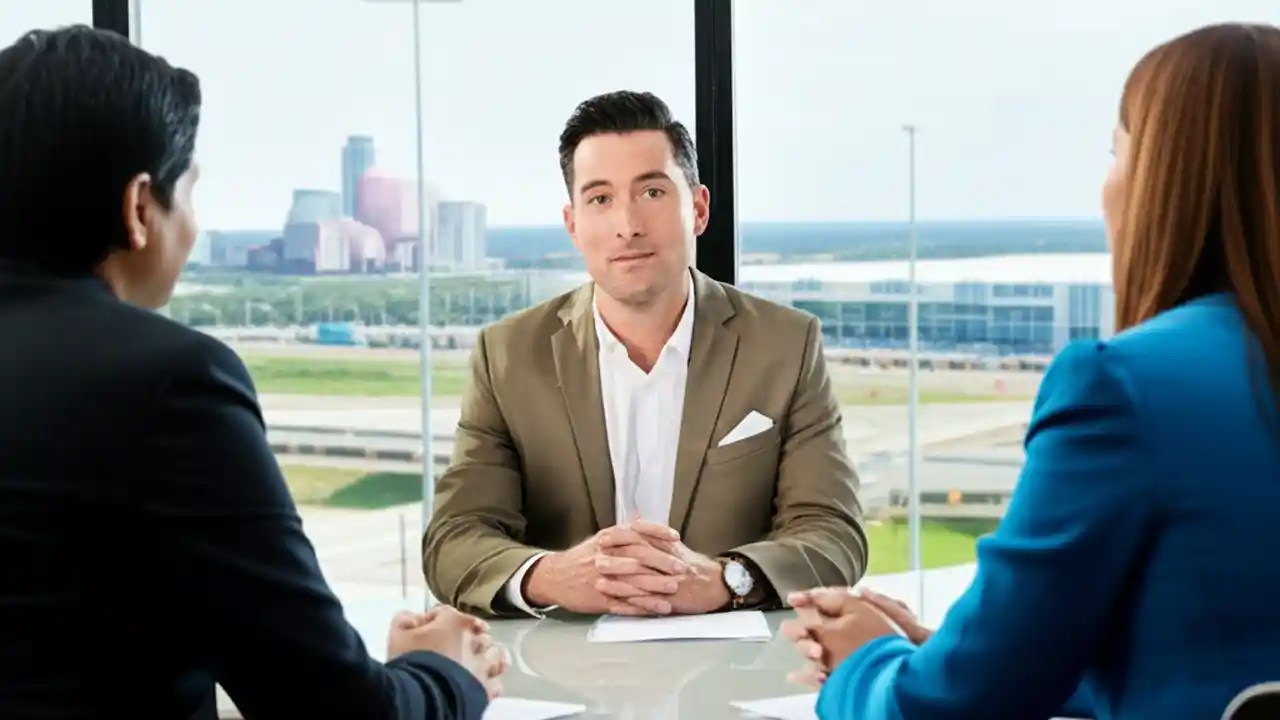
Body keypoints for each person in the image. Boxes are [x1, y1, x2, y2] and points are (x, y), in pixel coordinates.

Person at [0, 26, 504, 720]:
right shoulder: (170, 382)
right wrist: (447, 673)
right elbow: (335, 711)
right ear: (139, 206)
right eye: (191, 194)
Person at [780, 22, 1280, 720]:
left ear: (1167, 183)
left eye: (1116, 153)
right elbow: (1205, 663)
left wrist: (865, 664)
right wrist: (956, 649)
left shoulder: (1124, 388)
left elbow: (946, 713)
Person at [424, 90, 866, 618]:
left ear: (697, 208)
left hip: (730, 667)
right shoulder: (509, 355)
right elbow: (453, 538)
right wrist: (554, 576)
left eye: (652, 192)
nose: (627, 225)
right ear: (573, 224)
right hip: (562, 667)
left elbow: (833, 532)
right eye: (600, 199)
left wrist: (725, 578)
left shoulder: (785, 345)